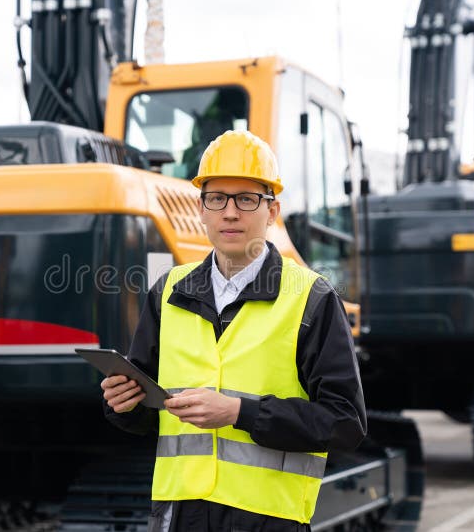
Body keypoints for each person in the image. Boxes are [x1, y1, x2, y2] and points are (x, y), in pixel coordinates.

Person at [102, 130, 366, 531]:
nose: (230, 213)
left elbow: (345, 423)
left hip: (268, 518)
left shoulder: (310, 298)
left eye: (247, 199)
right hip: (180, 514)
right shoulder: (167, 292)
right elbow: (149, 414)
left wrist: (240, 413)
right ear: (201, 208)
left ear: (272, 211)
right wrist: (123, 404)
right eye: (217, 198)